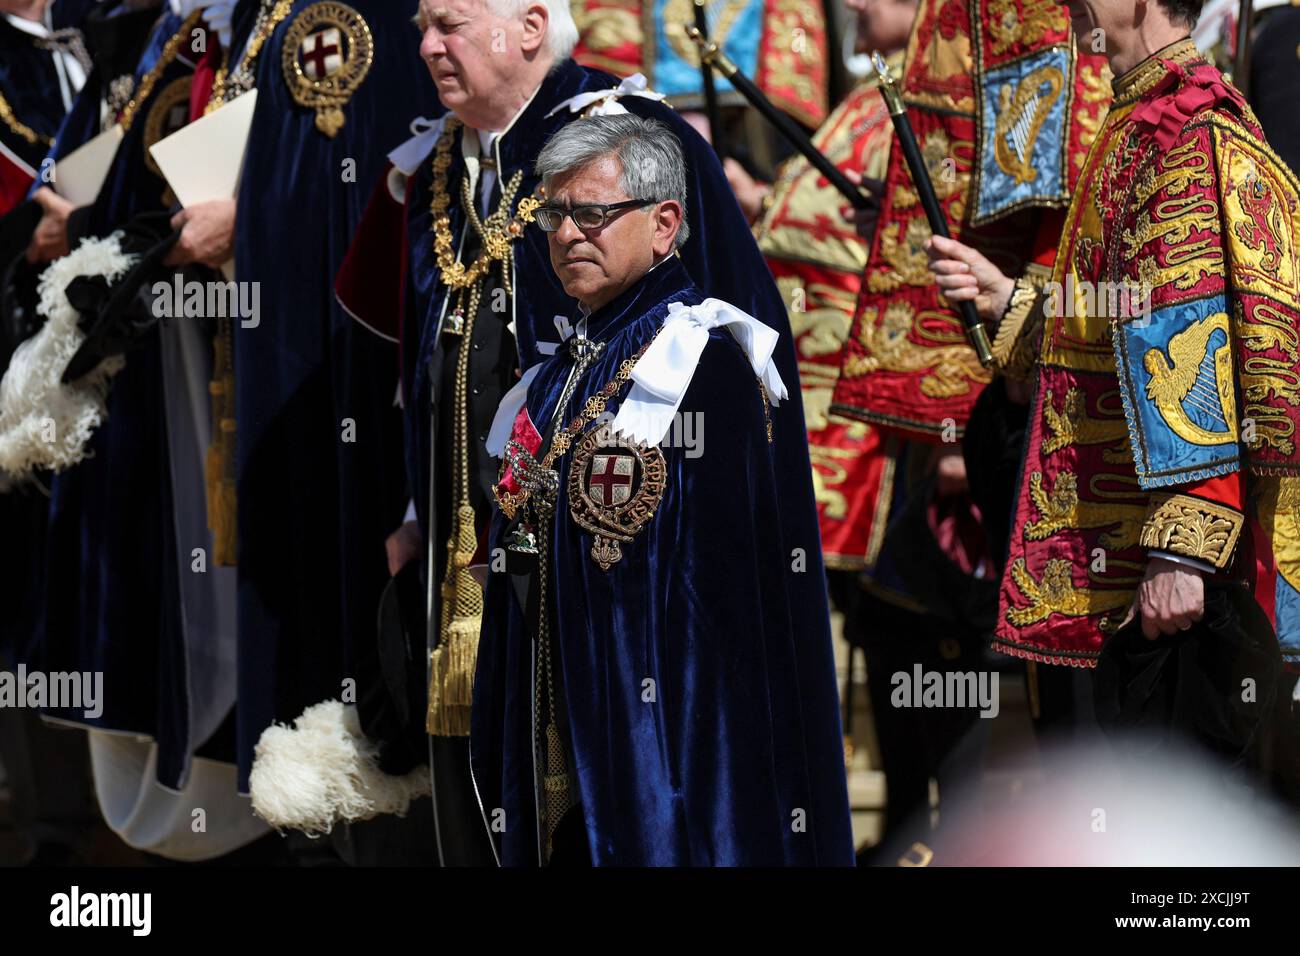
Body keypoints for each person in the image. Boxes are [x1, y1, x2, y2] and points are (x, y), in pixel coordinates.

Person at [334, 0, 829, 863]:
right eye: (420, 24)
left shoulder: (627, 141)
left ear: (528, 26)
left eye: (449, 22)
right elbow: (427, 366)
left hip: (623, 596)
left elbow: (727, 369)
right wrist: (420, 515)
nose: (425, 46)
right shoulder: (440, 165)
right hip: (471, 567)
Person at [926, 0, 1300, 765]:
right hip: (1106, 563)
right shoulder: (1136, 120)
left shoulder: (1185, 127)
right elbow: (1115, 323)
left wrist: (1183, 547)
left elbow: (1200, 336)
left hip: (1153, 576)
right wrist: (1010, 301)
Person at [474, 113, 854, 866]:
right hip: (563, 714)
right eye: (554, 215)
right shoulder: (563, 368)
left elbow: (721, 607)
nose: (567, 234)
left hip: (667, 744)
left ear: (664, 223)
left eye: (592, 213)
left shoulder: (702, 360)